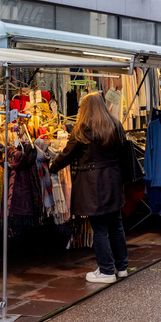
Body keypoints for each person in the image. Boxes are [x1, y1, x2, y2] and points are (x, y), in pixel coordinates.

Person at [49, 93, 129, 284]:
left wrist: (52, 167)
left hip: (93, 184)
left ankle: (106, 271)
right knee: (116, 224)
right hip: (113, 179)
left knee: (99, 227)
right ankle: (122, 267)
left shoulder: (82, 129)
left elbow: (67, 155)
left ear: (85, 109)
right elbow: (124, 151)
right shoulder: (115, 124)